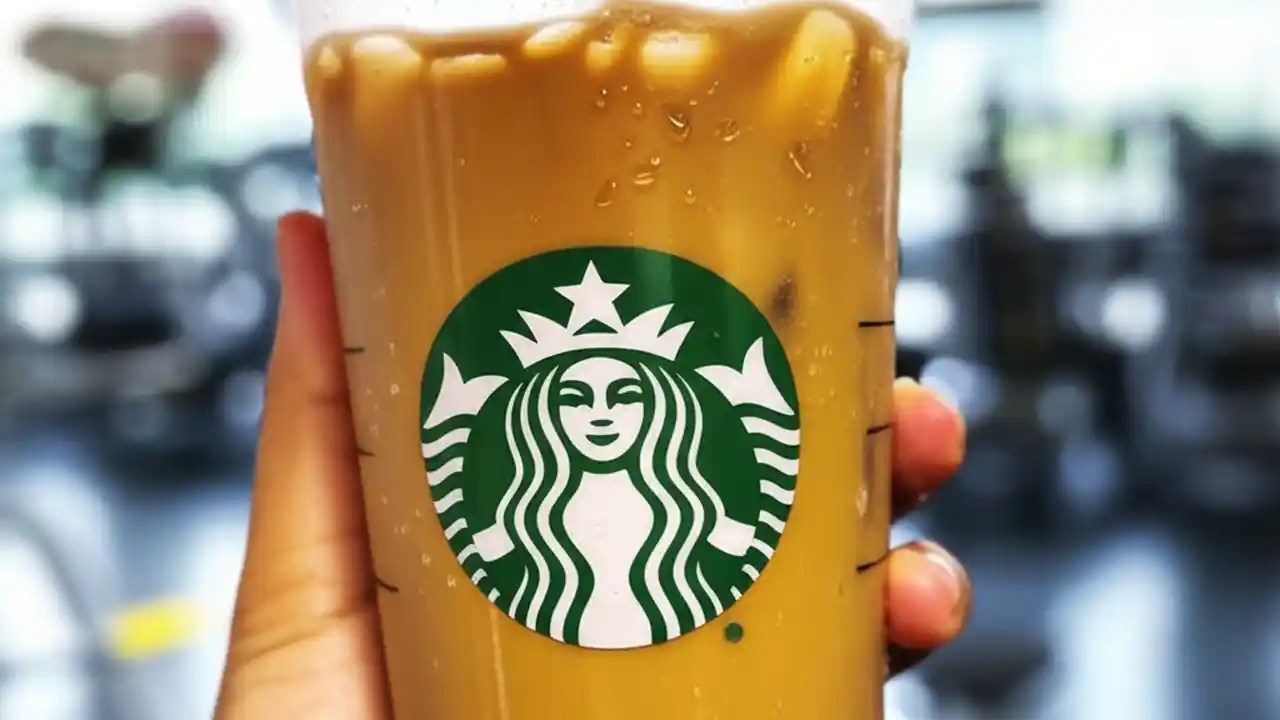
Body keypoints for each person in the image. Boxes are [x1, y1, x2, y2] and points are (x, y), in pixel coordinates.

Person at [215, 213, 973, 718]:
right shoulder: (519, 537)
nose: (603, 414)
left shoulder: (704, 526)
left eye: (628, 395)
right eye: (575, 395)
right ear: (538, 411)